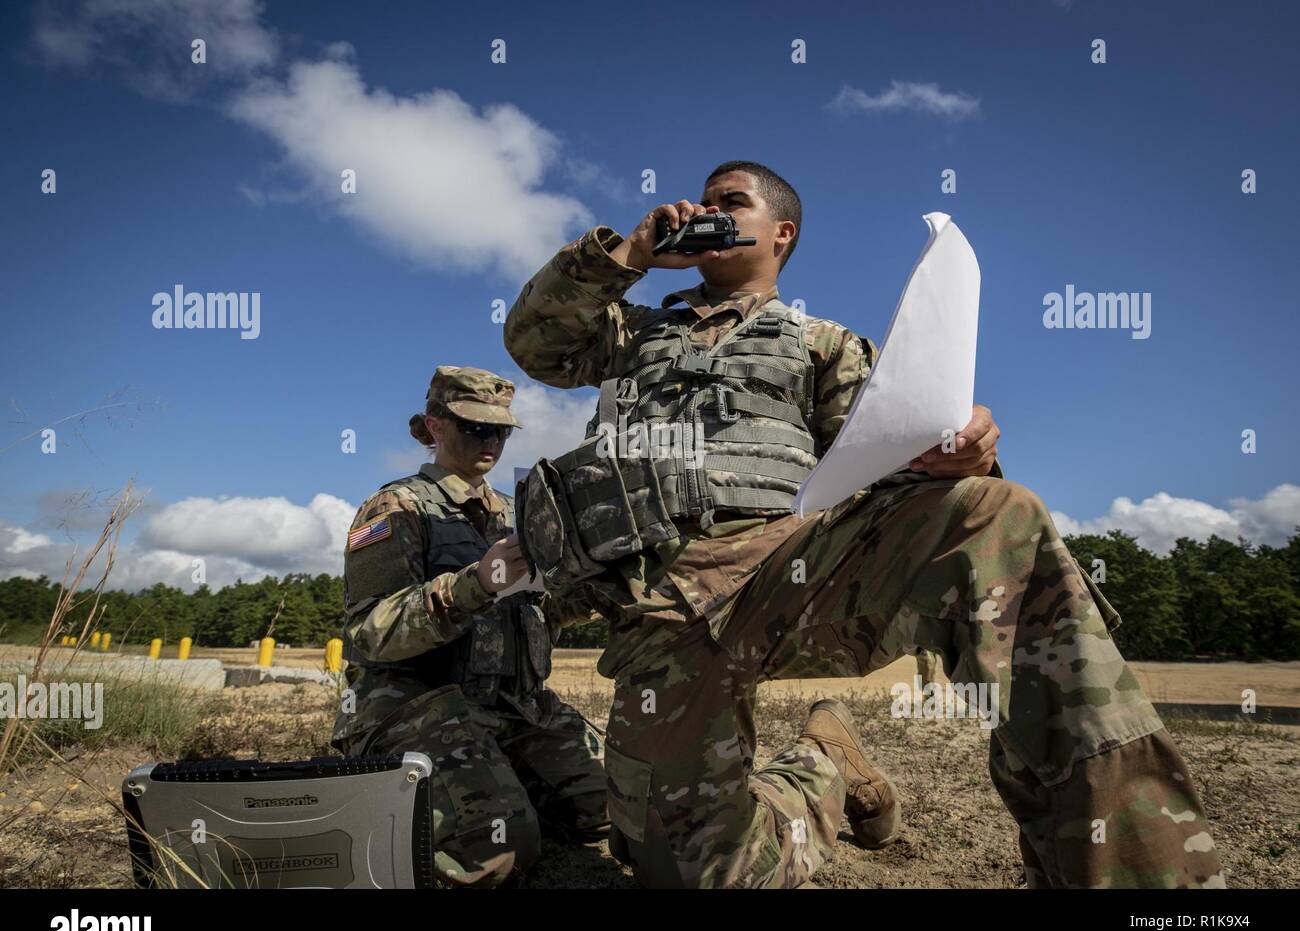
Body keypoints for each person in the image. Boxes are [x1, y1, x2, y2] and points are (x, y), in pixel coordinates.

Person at [502, 160, 1224, 889]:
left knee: (996, 521)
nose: (707, 210)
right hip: (660, 615)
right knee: (689, 873)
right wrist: (629, 253)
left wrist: (964, 453)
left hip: (784, 580)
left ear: (780, 233)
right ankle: (823, 769)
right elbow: (535, 343)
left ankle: (1146, 891)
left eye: (731, 202)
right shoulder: (631, 334)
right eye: (703, 199)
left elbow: (898, 461)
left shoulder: (823, 345)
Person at [330, 366, 607, 887]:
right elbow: (370, 630)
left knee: (614, 808)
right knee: (497, 854)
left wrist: (591, 585)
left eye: (500, 430)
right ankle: (388, 815)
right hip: (416, 708)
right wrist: (473, 584)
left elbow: (543, 613)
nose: (491, 442)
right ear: (434, 426)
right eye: (475, 428)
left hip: (511, 707)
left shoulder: (515, 512)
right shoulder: (396, 507)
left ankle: (493, 789)